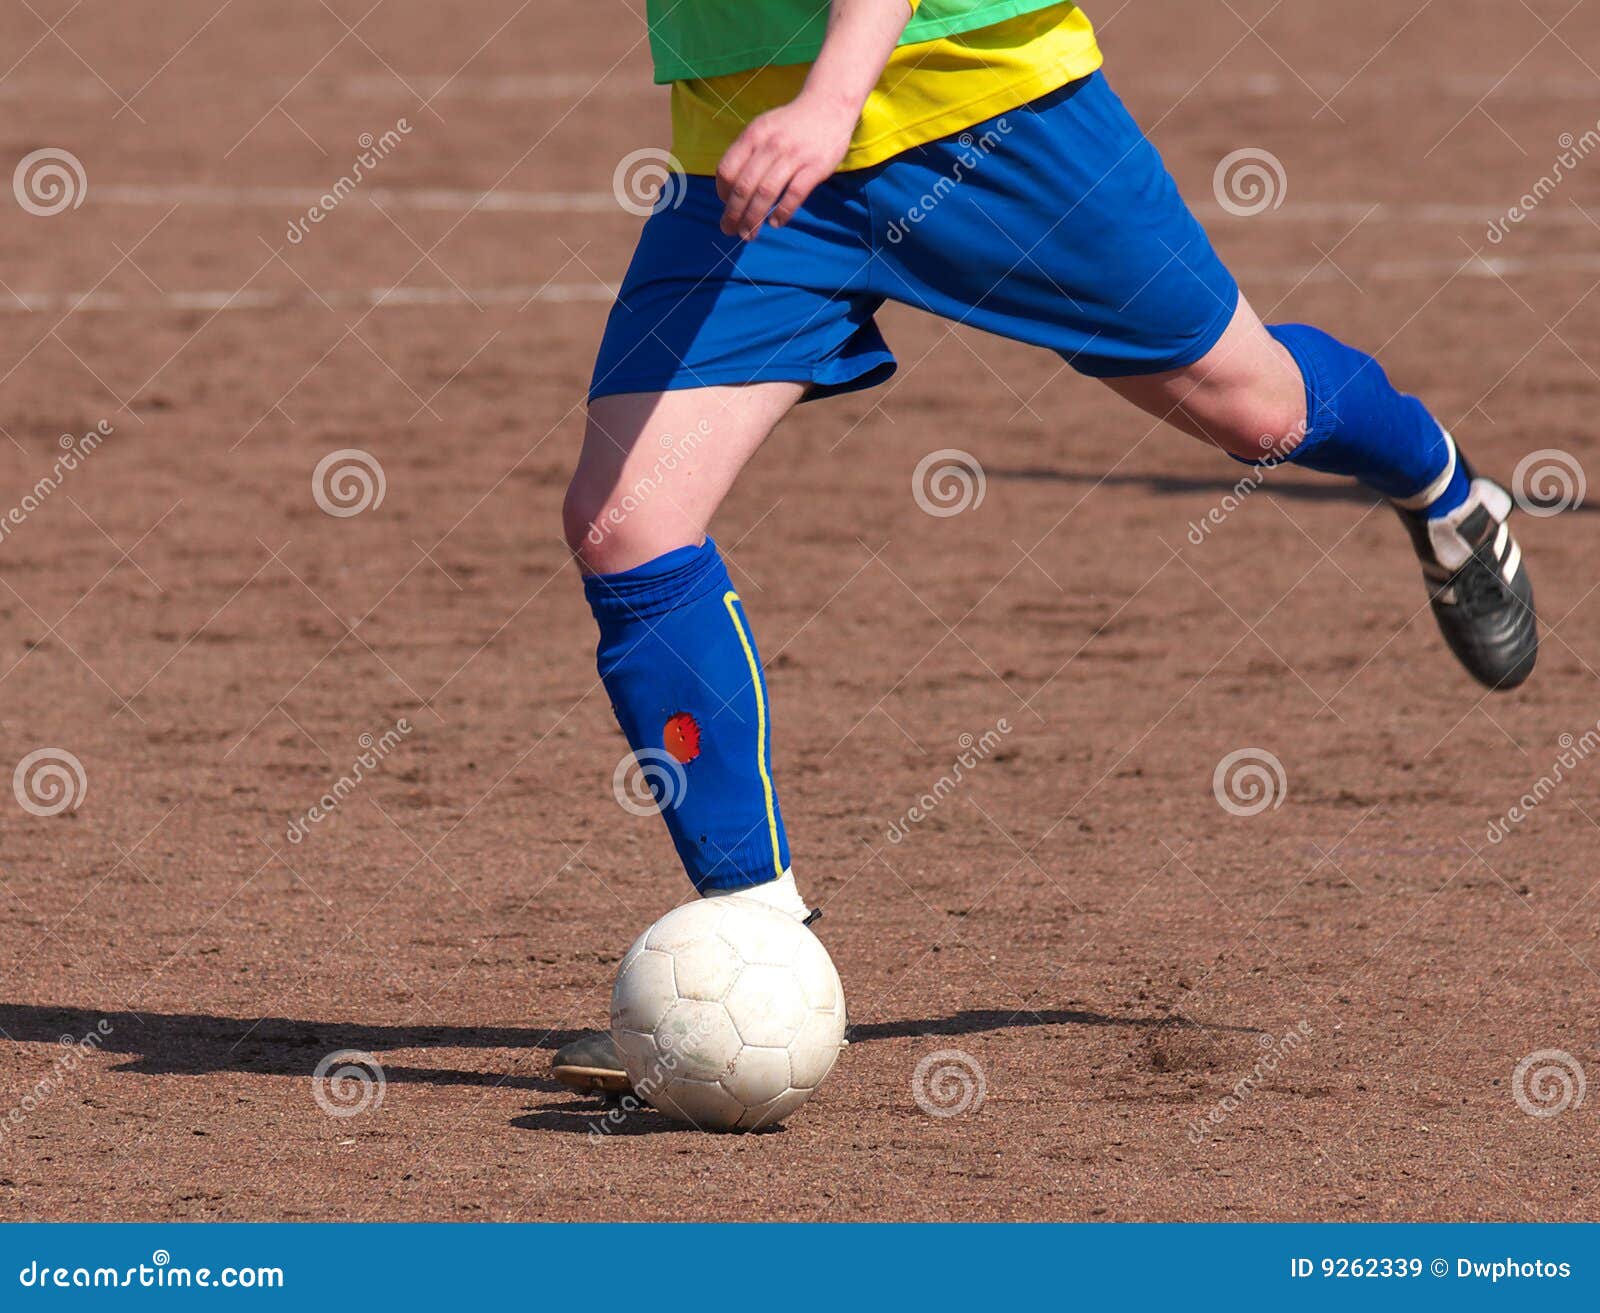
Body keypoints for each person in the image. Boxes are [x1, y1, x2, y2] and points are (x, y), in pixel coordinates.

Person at [551, 0, 1537, 1094]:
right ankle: (750, 939)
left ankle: (1444, 487)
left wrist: (835, 97)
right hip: (752, 143)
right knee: (625, 520)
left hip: (982, 105)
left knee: (1253, 408)